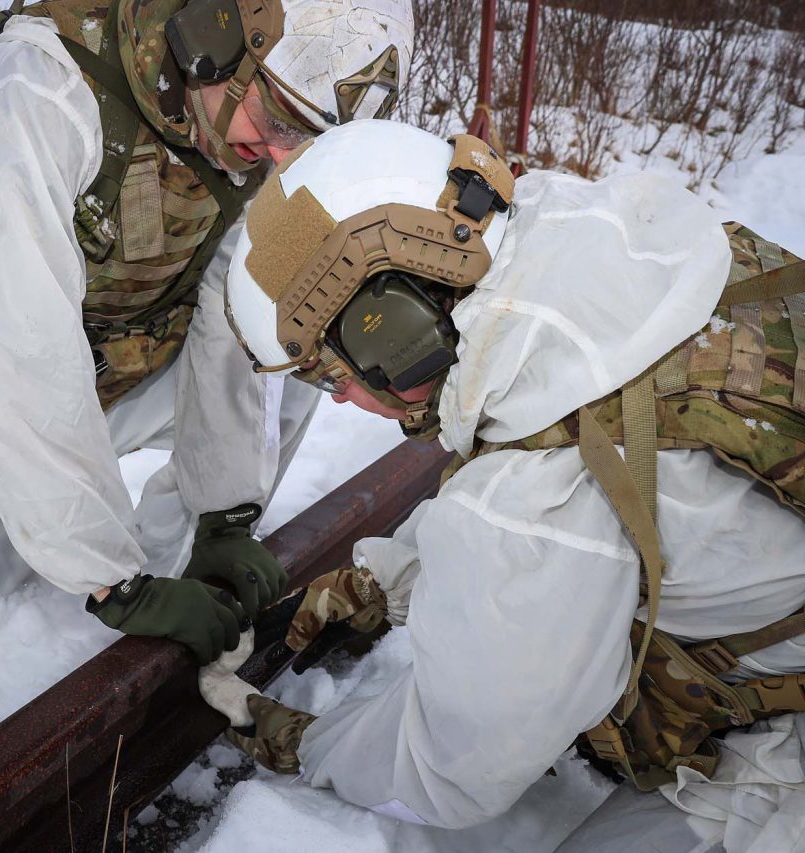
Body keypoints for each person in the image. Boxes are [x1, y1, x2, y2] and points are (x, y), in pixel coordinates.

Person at [223, 119, 805, 850]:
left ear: (391, 337)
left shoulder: (531, 498)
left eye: (330, 374)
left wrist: (304, 742)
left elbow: (451, 772)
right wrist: (380, 583)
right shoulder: (604, 248)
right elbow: (543, 484)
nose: (339, 399)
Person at [0, 0, 413, 665]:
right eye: (281, 116)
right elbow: (9, 354)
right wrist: (107, 575)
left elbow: (238, 309)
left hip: (105, 356)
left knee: (290, 353)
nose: (284, 153)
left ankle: (180, 555)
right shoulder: (32, 92)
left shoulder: (245, 128)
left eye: (309, 136)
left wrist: (222, 509)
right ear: (214, 37)